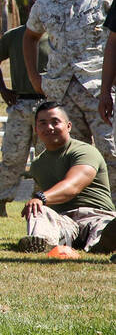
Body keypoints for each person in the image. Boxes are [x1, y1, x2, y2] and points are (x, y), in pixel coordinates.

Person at [25, 0, 116, 183]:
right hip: (61, 90)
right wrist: (35, 78)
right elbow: (30, 36)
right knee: (69, 156)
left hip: (99, 89)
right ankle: (78, 212)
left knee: (111, 153)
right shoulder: (45, 0)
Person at [16, 101, 116, 255]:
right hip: (65, 221)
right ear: (36, 129)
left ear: (68, 126)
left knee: (103, 231)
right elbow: (42, 203)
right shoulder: (37, 165)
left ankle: (102, 244)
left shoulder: (85, 152)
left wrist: (41, 197)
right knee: (39, 210)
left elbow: (72, 186)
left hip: (96, 216)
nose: (49, 127)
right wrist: (38, 205)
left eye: (55, 122)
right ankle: (42, 241)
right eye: (43, 123)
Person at [0, 0, 49, 216]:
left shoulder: (56, 36)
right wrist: (3, 90)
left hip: (49, 106)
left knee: (46, 157)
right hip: (22, 104)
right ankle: (1, 202)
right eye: (32, 3)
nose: (36, 6)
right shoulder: (14, 36)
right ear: (27, 8)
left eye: (40, 2)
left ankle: (41, 202)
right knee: (12, 155)